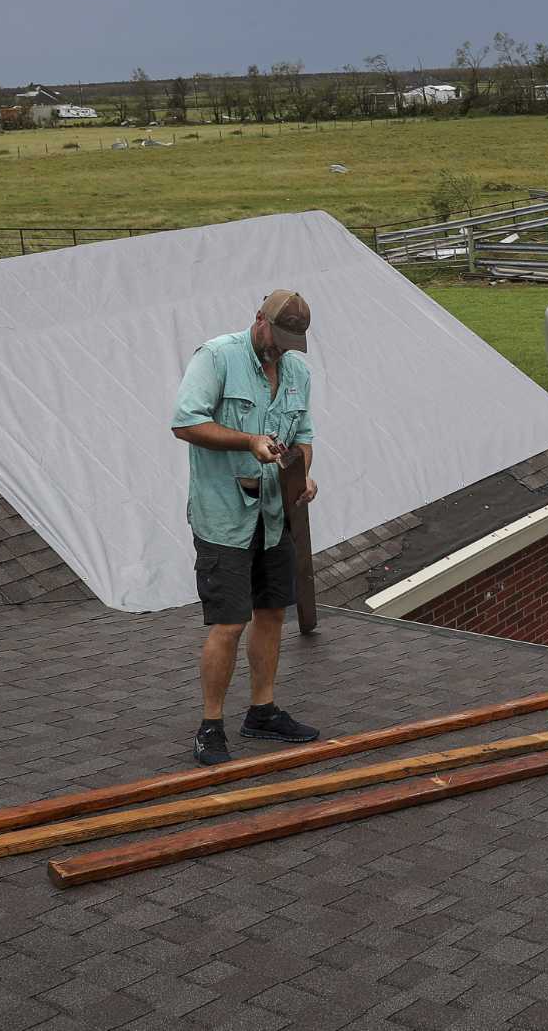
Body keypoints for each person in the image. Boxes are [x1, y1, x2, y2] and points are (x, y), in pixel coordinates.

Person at [172, 289, 323, 766]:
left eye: (289, 342)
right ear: (258, 319)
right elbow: (184, 423)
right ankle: (210, 725)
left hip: (275, 514)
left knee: (272, 611)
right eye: (275, 337)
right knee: (229, 621)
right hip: (224, 517)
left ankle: (262, 711)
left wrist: (303, 474)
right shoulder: (216, 357)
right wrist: (248, 441)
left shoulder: (298, 372)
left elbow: (303, 437)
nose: (279, 349)